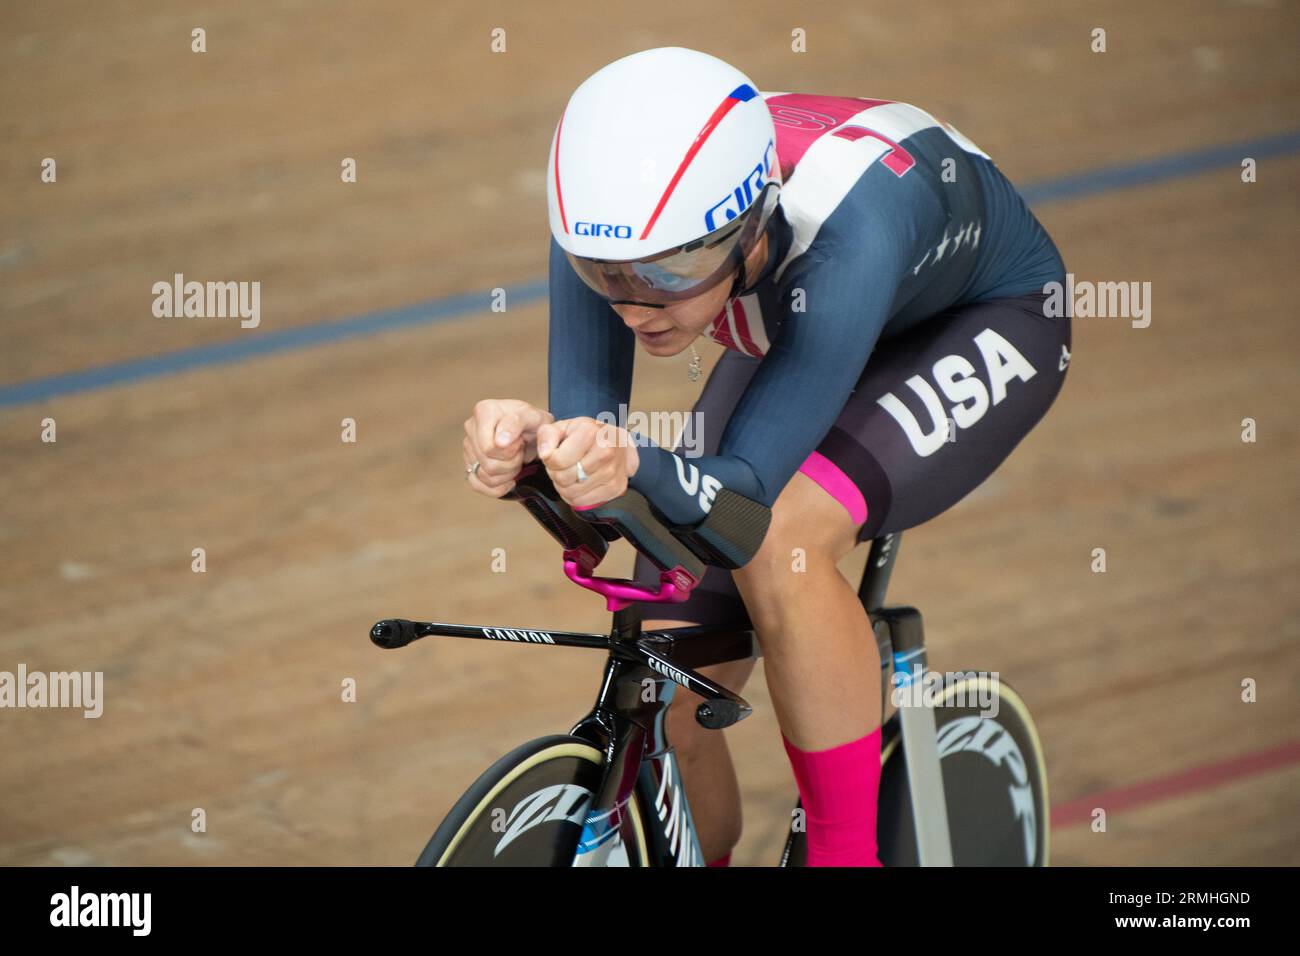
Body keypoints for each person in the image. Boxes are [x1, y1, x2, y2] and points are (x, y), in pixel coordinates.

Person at [462, 47, 1069, 867]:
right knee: (666, 670)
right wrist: (532, 460)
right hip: (797, 317)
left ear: (749, 225)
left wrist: (630, 464)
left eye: (672, 269)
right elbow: (599, 485)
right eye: (603, 275)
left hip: (979, 313)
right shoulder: (615, 230)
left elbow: (740, 505)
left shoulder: (845, 238)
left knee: (781, 540)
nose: (637, 304)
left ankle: (847, 855)